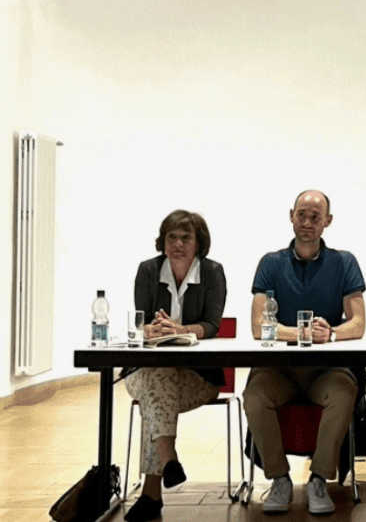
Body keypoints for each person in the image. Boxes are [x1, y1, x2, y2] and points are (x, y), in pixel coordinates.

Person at [243, 190, 366, 516]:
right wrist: (302, 334)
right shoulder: (271, 263)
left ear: (328, 221)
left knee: (344, 391)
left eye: (315, 217)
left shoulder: (344, 262)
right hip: (279, 369)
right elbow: (258, 326)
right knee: (254, 394)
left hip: (326, 369)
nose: (308, 223)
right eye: (302, 215)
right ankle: (279, 478)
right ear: (291, 216)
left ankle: (319, 479)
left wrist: (332, 334)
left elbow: (358, 324)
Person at [123, 210, 227, 522]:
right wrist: (149, 332)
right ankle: (169, 461)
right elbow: (141, 322)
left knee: (155, 399)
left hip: (198, 379)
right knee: (157, 373)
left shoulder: (213, 272)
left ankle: (152, 493)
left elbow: (212, 325)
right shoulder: (147, 271)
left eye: (185, 238)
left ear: (199, 243)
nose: (178, 244)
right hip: (145, 374)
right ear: (163, 242)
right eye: (172, 237)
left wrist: (180, 330)